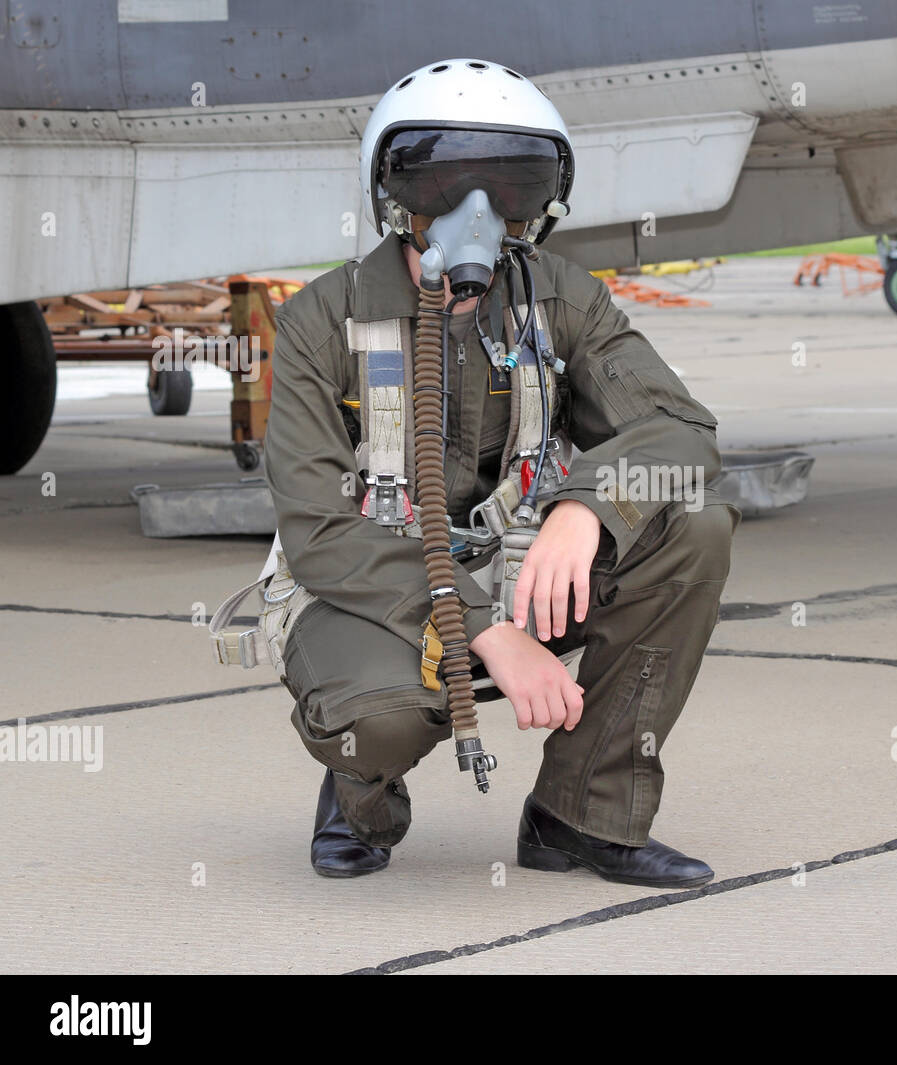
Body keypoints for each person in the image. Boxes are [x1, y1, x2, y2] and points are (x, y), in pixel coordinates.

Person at [264, 58, 739, 886]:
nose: (475, 214)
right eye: (444, 183)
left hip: (515, 554)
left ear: (541, 202)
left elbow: (683, 432)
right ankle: (359, 793)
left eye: (510, 187)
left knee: (692, 524)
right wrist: (485, 627)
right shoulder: (318, 321)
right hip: (373, 578)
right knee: (378, 720)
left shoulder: (562, 300)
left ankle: (579, 815)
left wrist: (587, 508)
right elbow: (319, 530)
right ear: (394, 194)